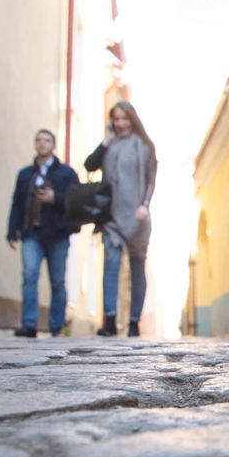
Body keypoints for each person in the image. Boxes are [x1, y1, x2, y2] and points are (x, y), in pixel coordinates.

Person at [84, 101, 157, 337]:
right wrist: (106, 140)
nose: (121, 122)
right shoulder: (110, 144)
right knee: (111, 266)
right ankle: (110, 321)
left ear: (132, 119)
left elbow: (151, 178)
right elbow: (89, 165)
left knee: (137, 267)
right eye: (116, 118)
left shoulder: (144, 145)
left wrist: (145, 204)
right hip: (112, 217)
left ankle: (134, 321)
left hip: (137, 216)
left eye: (125, 118)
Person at [6, 129, 79, 337]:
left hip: (58, 235)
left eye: (46, 140)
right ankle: (29, 324)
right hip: (32, 234)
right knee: (29, 276)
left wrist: (55, 197)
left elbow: (76, 200)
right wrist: (12, 232)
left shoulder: (66, 173)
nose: (42, 143)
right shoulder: (25, 175)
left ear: (53, 145)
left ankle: (56, 326)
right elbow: (17, 205)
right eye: (38, 140)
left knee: (57, 281)